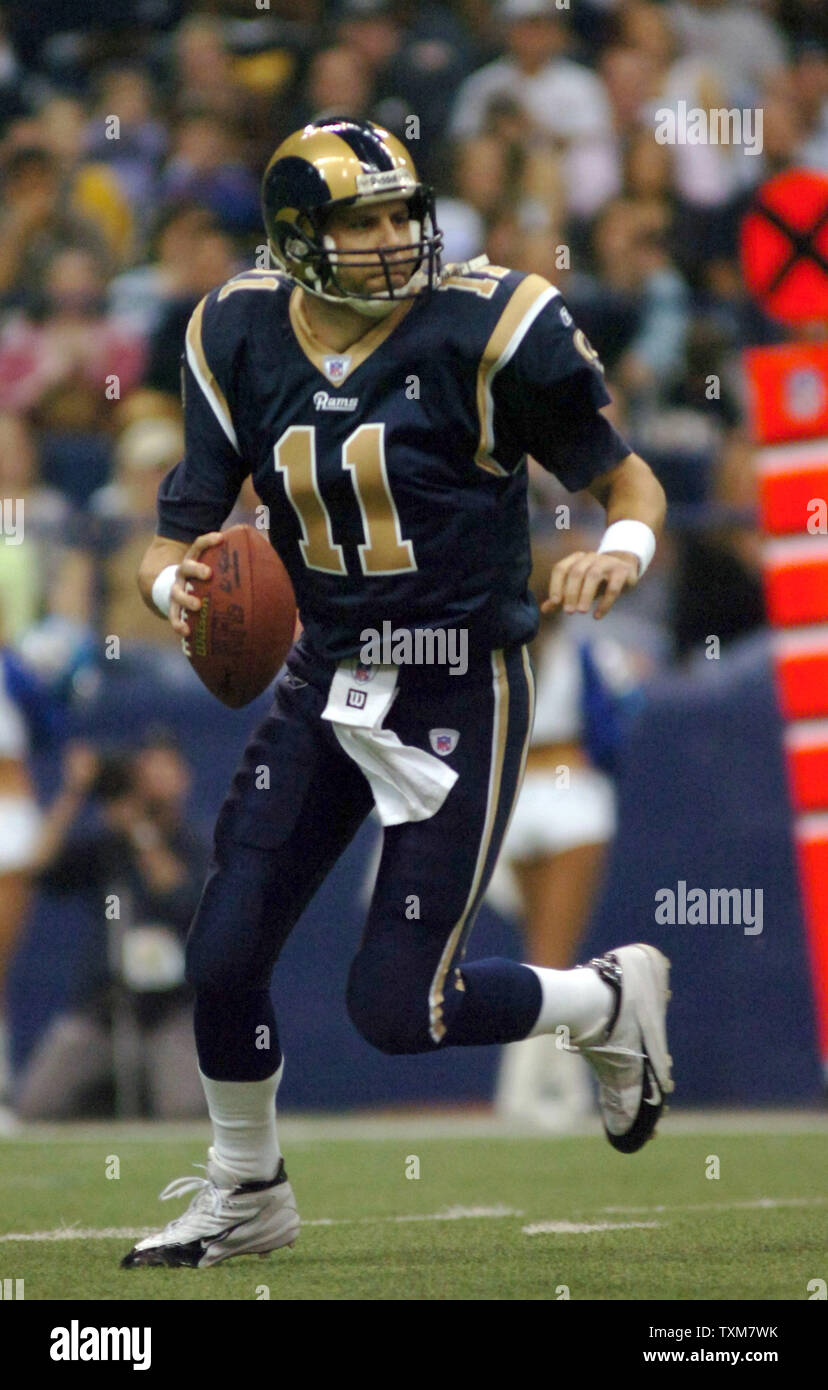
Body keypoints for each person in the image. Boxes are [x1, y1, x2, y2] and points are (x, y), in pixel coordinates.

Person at [126, 116, 671, 1269]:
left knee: (396, 1011)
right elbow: (171, 541)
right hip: (328, 676)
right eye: (360, 220)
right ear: (295, 236)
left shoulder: (487, 325)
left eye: (399, 214)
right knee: (221, 953)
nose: (390, 239)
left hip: (459, 683)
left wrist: (620, 547)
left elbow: (629, 480)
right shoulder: (235, 330)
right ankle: (246, 1187)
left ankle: (604, 1001)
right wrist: (179, 587)